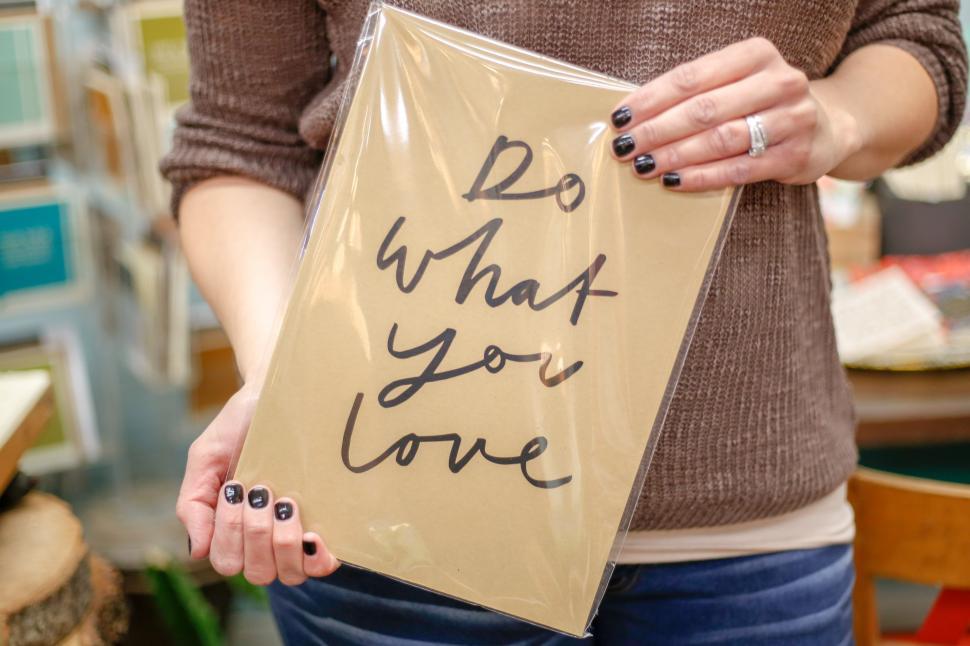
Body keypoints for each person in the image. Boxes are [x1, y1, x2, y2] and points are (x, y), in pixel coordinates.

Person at [161, 1, 967, 644]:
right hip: (393, 514)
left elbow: (917, 38)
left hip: (745, 526)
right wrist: (287, 383)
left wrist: (835, 116)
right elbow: (240, 139)